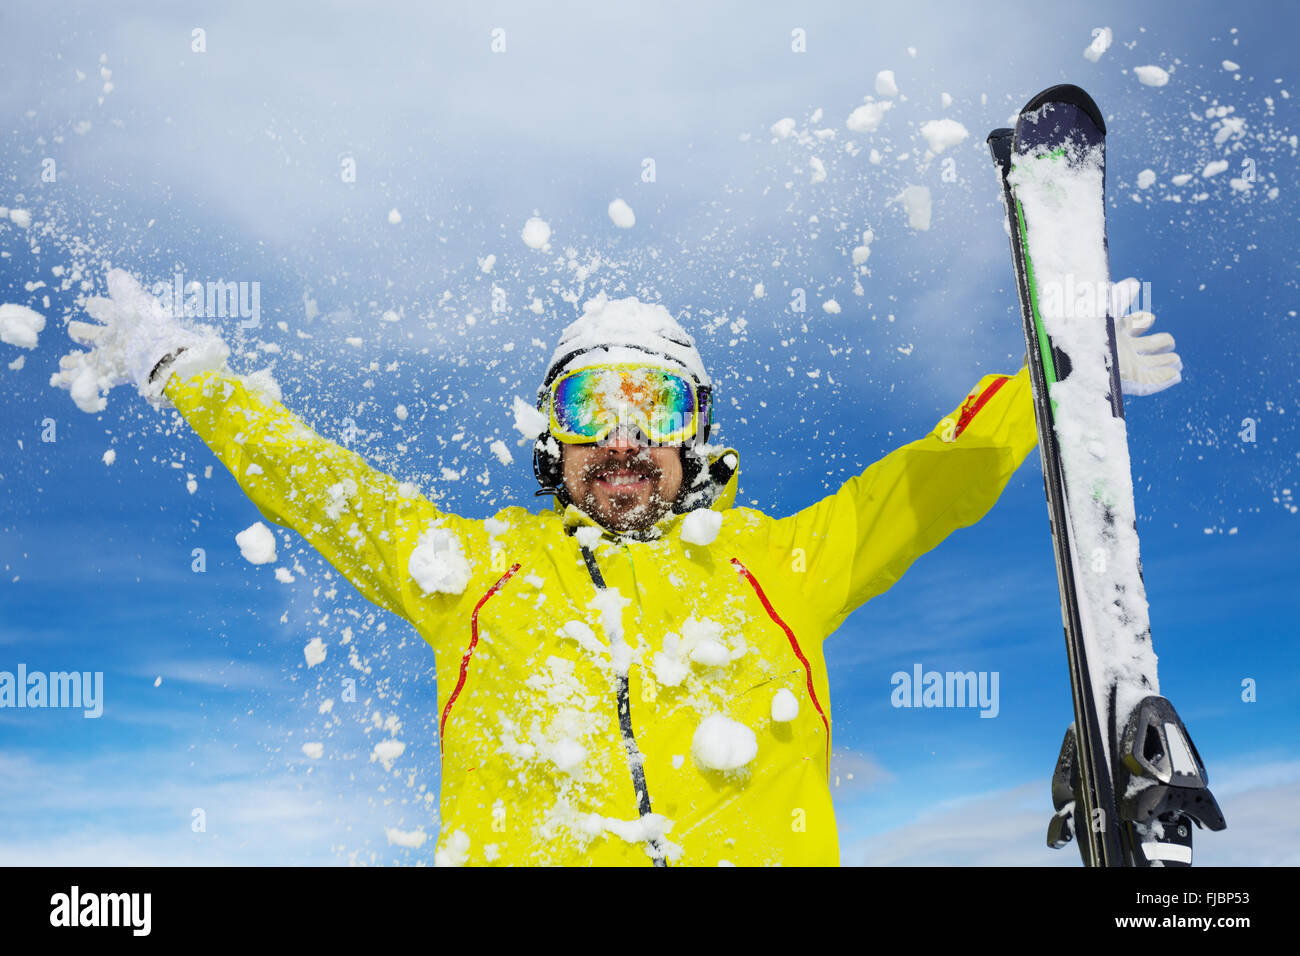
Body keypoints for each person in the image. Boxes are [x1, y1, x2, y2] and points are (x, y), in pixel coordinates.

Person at [52, 270, 1180, 866]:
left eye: (659, 403)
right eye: (594, 403)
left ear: (697, 430)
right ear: (554, 433)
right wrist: (192, 375)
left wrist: (1049, 386)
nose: (626, 437)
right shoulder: (470, 568)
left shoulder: (782, 563)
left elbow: (928, 480)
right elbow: (317, 484)